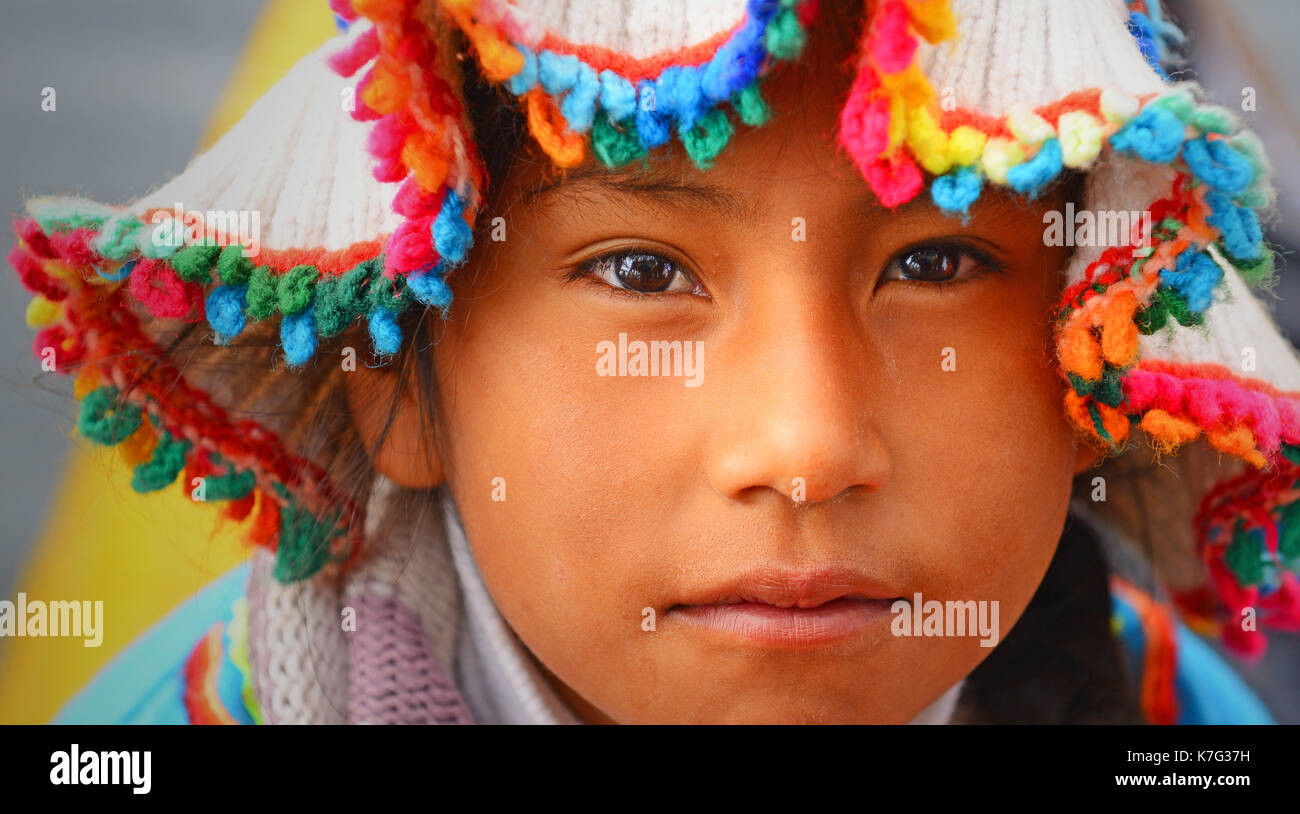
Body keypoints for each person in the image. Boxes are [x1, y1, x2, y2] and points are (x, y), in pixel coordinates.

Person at [10, 0, 1296, 724]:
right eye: (640, 270)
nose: (805, 448)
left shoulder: (1162, 714)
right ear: (396, 381)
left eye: (936, 264)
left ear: (1092, 339)